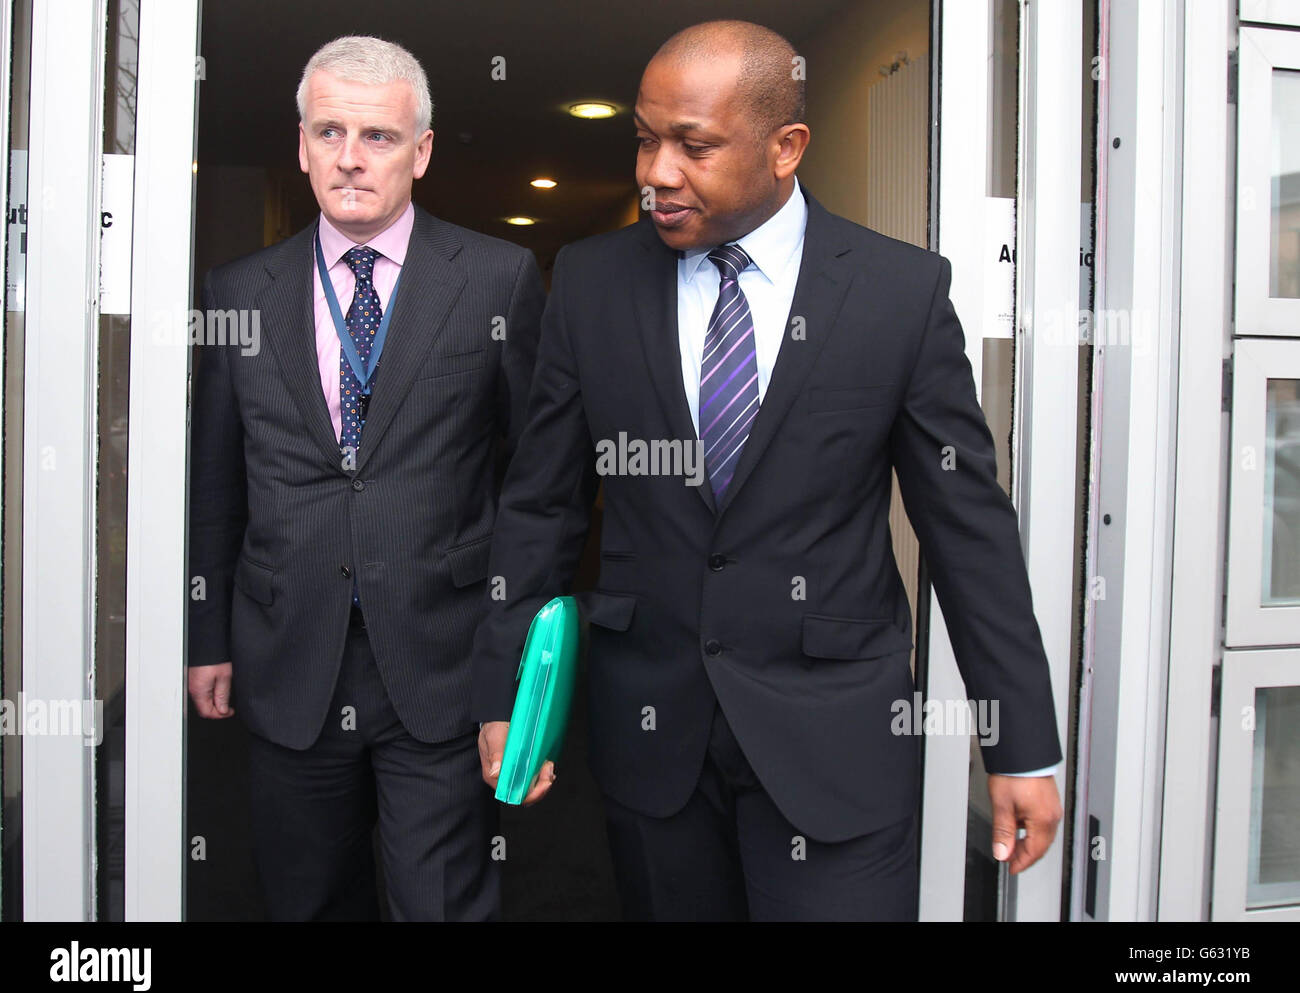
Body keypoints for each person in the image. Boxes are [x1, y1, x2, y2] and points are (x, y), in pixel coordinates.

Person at [471, 19, 1063, 921]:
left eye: (693, 145)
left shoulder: (899, 293)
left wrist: (1018, 740)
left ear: (786, 147)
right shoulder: (591, 283)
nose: (656, 172)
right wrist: (508, 691)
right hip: (651, 732)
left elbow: (967, 528)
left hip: (836, 740)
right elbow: (541, 503)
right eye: (645, 139)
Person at [187, 35, 544, 920]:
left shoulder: (497, 280)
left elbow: (533, 485)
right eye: (330, 132)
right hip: (287, 652)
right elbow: (216, 480)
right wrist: (207, 631)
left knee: (441, 903)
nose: (350, 157)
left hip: (442, 658)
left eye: (378, 136)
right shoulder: (236, 291)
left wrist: (516, 670)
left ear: (421, 151)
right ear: (302, 145)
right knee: (306, 900)